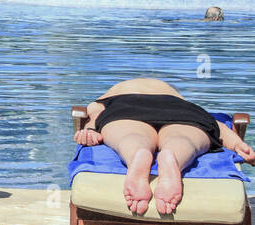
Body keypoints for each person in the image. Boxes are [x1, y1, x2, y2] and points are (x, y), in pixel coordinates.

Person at [74, 77, 255, 215]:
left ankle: (138, 152)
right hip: (180, 111)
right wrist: (238, 144)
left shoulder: (110, 96)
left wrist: (90, 130)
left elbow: (94, 114)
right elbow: (217, 125)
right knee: (185, 139)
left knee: (130, 136)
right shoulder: (178, 98)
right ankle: (173, 157)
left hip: (124, 107)